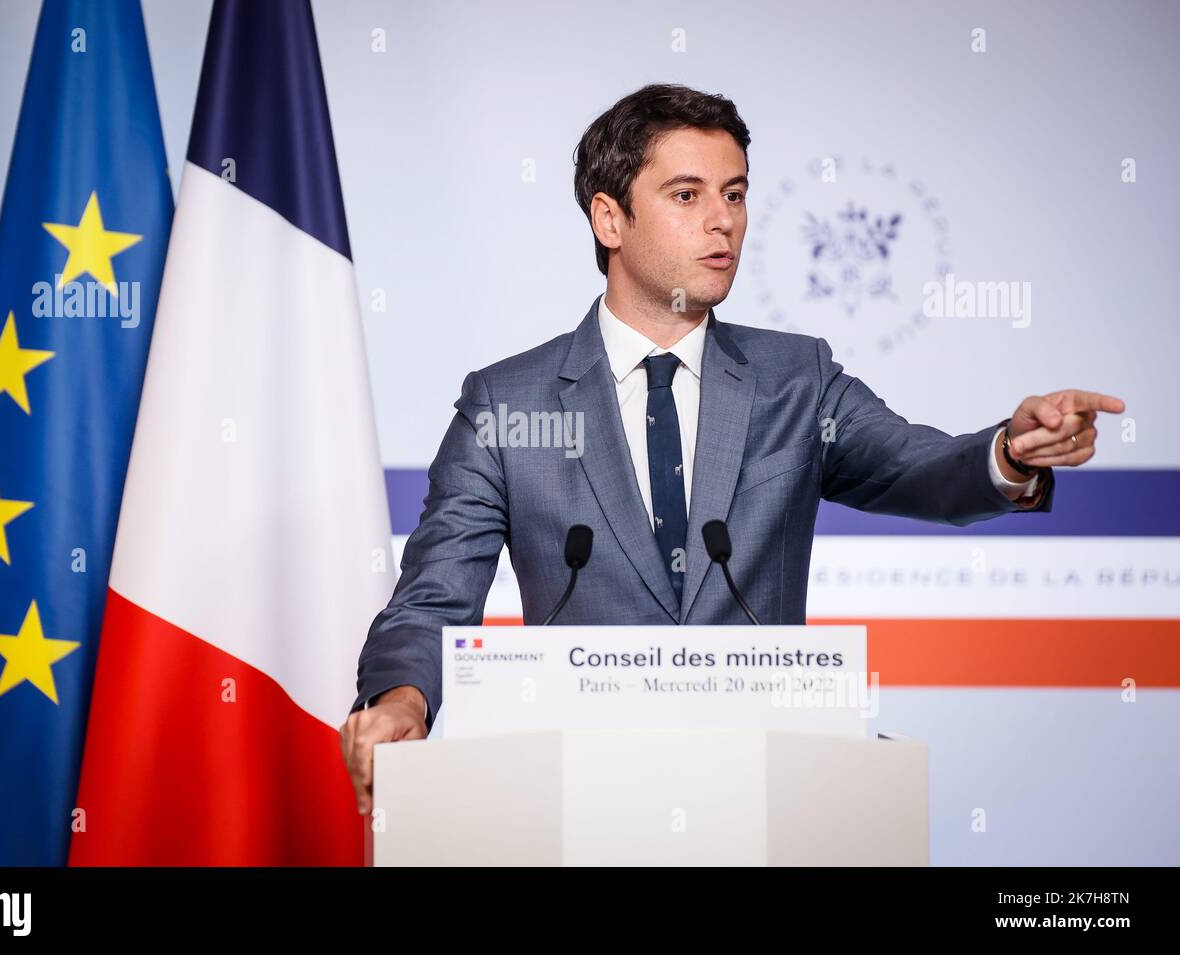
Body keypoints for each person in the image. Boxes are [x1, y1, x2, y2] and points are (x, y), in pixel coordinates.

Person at [338, 83, 1124, 815]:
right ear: (610, 220)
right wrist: (402, 698)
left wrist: (1012, 452)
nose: (725, 221)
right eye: (688, 195)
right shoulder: (508, 402)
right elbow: (434, 597)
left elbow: (919, 469)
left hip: (772, 799)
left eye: (736, 194)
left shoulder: (796, 380)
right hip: (577, 800)